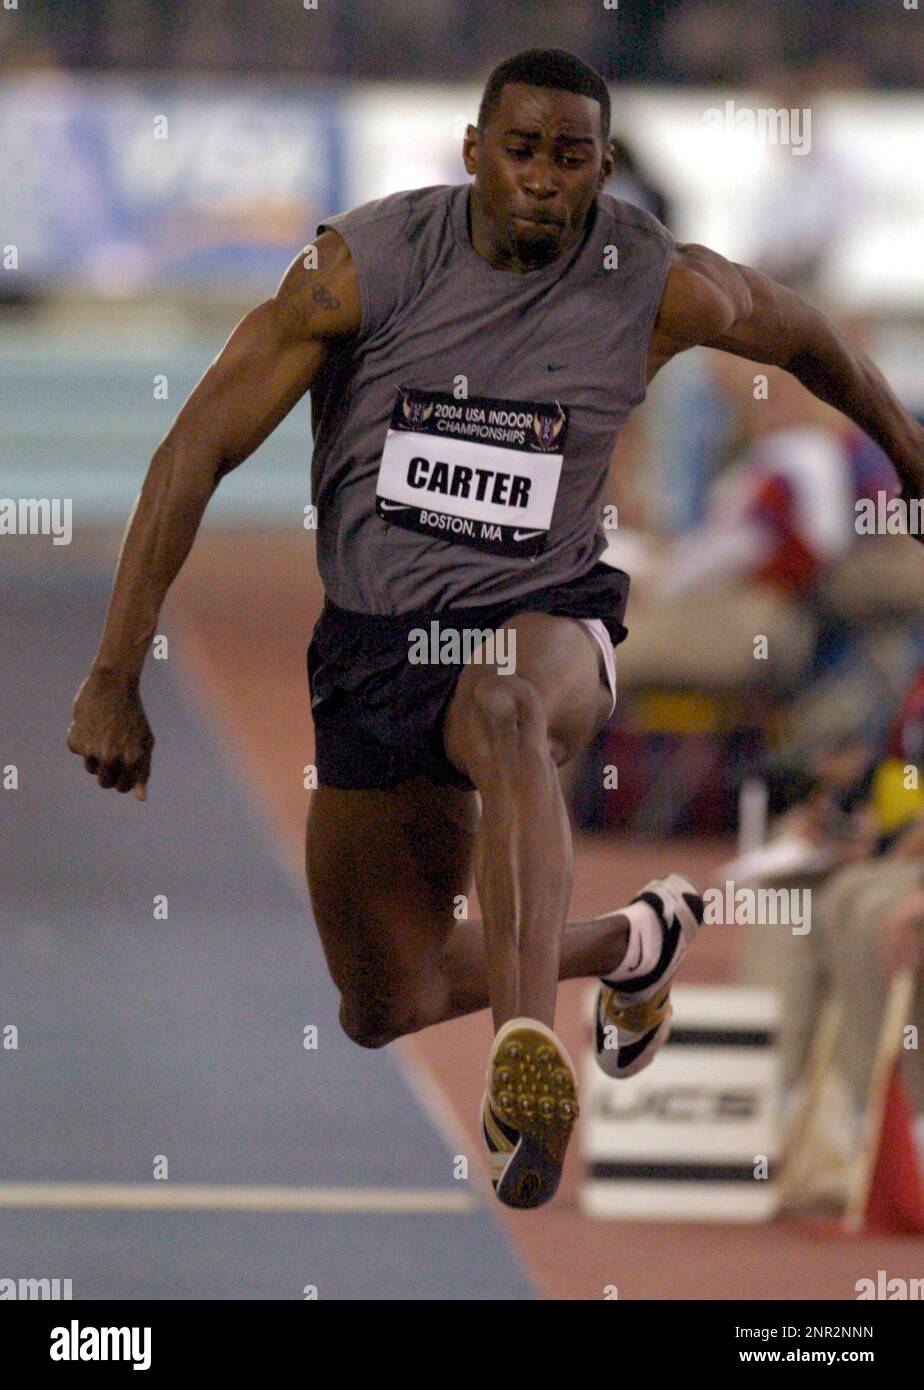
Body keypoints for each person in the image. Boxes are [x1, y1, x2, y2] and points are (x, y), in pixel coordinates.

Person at [66, 48, 924, 1209]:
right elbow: (197, 449)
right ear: (475, 151)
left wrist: (911, 464)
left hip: (549, 617)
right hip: (374, 648)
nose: (542, 179)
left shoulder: (650, 278)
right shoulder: (362, 266)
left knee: (508, 704)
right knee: (383, 1001)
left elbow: (806, 333)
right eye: (519, 150)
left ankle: (528, 1062)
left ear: (603, 166)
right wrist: (116, 672)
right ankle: (631, 938)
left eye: (571, 157)